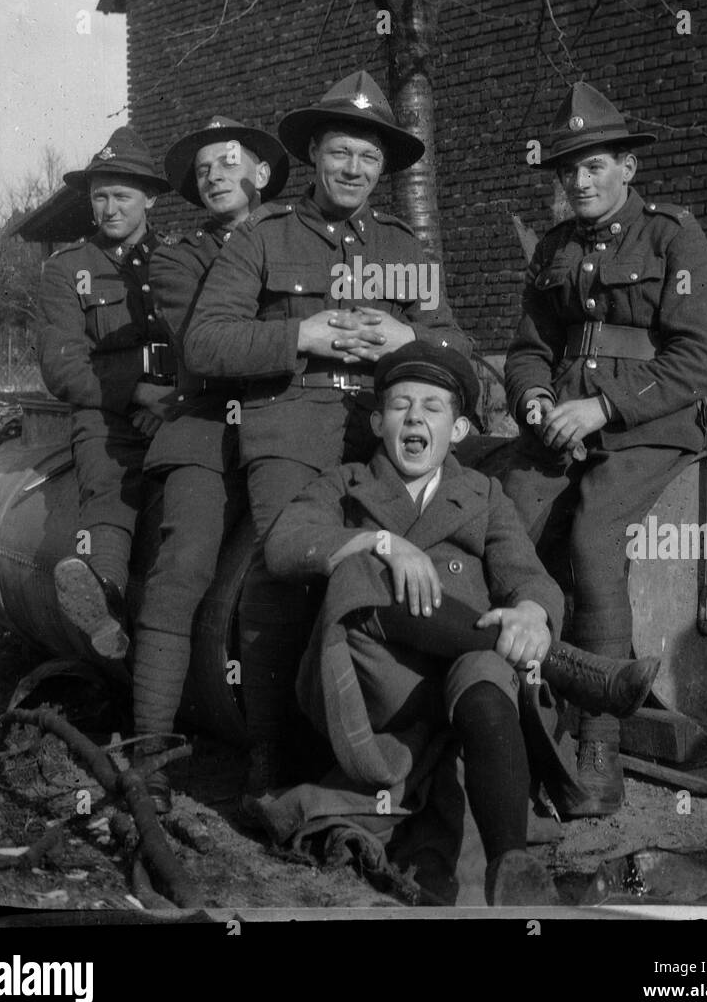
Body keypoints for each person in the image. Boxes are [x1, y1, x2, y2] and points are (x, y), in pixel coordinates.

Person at [264, 342, 660, 906]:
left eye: (433, 407)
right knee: (358, 573)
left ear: (459, 429)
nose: (415, 418)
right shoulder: (343, 485)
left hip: (462, 690)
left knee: (483, 665)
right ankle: (568, 667)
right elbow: (283, 546)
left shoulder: (484, 494)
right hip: (376, 685)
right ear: (378, 422)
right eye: (401, 405)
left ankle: (513, 869)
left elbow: (527, 575)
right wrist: (382, 542)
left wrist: (532, 615)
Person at [184, 70, 471, 795]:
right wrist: (299, 333)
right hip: (291, 424)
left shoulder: (408, 250)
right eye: (341, 152)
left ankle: (416, 737)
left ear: (384, 169)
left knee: (428, 560)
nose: (353, 169)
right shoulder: (264, 234)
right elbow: (206, 342)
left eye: (368, 158)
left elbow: (458, 354)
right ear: (314, 153)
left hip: (384, 433)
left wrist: (408, 337)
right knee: (286, 567)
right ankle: (271, 751)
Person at [502, 81, 707, 815]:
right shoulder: (557, 249)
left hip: (647, 428)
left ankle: (599, 744)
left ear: (628, 166)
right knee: (509, 522)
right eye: (569, 171)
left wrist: (602, 406)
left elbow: (698, 361)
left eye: (595, 165)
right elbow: (530, 349)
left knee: (597, 532)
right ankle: (520, 712)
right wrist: (534, 399)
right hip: (562, 424)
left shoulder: (671, 233)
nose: (580, 182)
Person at [131, 117, 290, 811]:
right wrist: (302, 331)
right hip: (206, 428)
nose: (217, 175)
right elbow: (208, 346)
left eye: (230, 162)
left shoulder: (301, 239)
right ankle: (150, 752)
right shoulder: (176, 260)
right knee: (184, 566)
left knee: (289, 575)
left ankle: (272, 747)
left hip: (290, 420)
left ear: (262, 174)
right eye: (203, 170)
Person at [36, 127, 175, 659]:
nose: (109, 207)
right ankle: (105, 596)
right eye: (99, 196)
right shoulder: (66, 269)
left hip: (178, 411)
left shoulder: (179, 260)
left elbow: (203, 344)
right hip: (107, 417)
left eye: (122, 195)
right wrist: (138, 391)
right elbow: (64, 365)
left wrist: (172, 405)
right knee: (109, 484)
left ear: (151, 198)